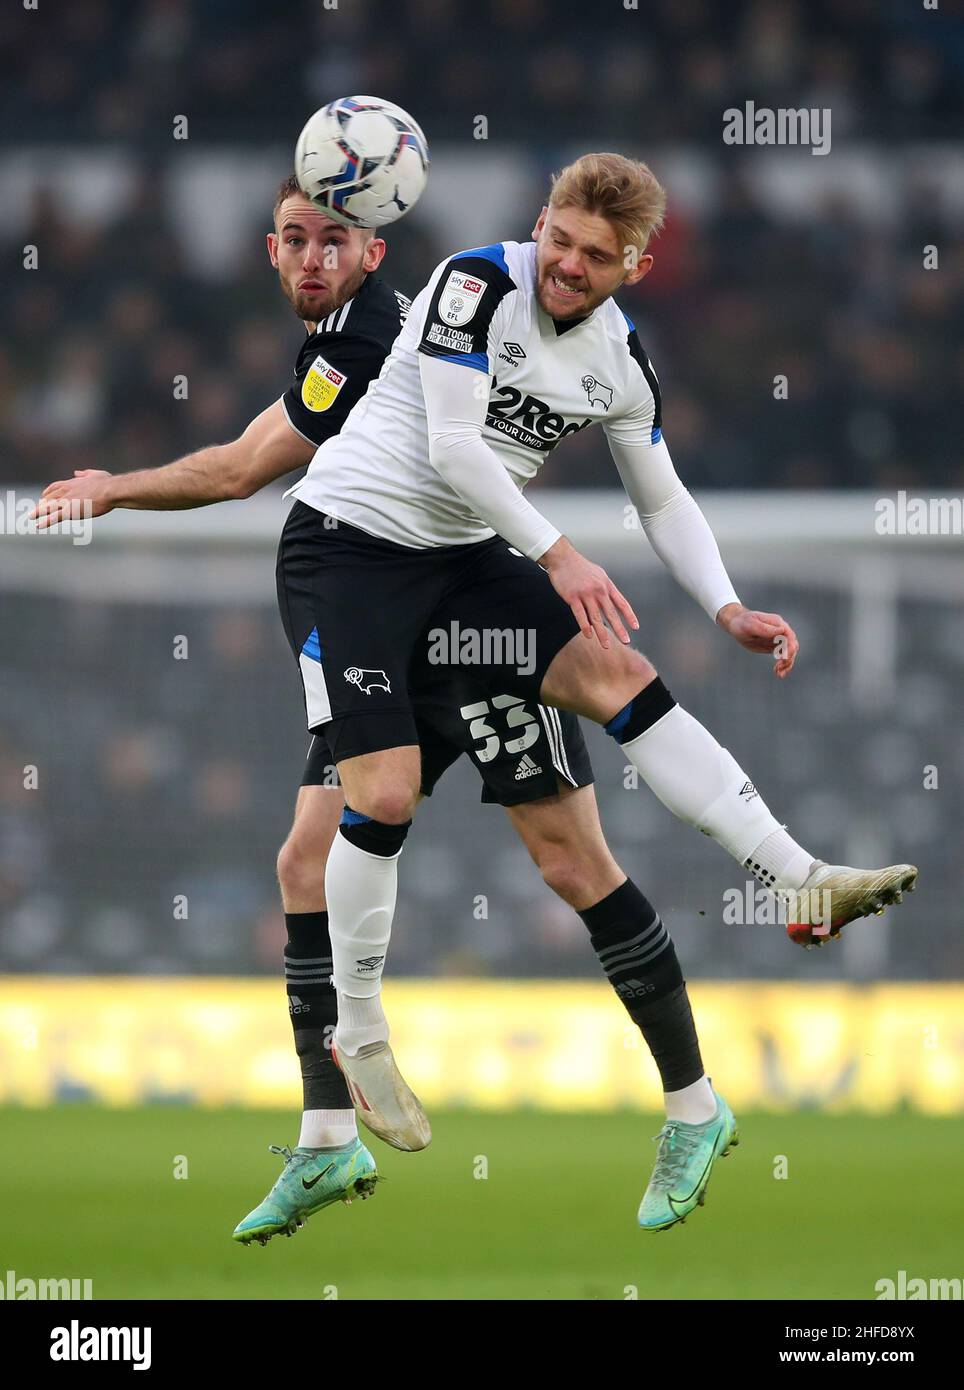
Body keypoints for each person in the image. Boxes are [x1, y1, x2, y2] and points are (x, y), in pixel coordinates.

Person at [34, 174, 740, 1240]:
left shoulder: (371, 339)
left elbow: (239, 472)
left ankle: (692, 1101)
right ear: (267, 251)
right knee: (304, 858)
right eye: (294, 239)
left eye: (335, 239)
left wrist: (114, 486)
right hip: (384, 629)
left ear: (375, 252)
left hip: (467, 623)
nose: (312, 258)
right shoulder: (347, 332)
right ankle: (328, 1137)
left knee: (569, 860)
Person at [271, 151, 917, 1212]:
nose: (567, 267)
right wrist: (563, 556)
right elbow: (452, 450)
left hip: (467, 561)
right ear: (541, 224)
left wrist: (727, 606)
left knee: (619, 673)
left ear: (637, 265)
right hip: (350, 551)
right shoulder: (475, 285)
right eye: (559, 243)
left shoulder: (618, 357)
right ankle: (360, 1031)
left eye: (594, 256)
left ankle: (795, 874)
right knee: (376, 797)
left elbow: (661, 501)